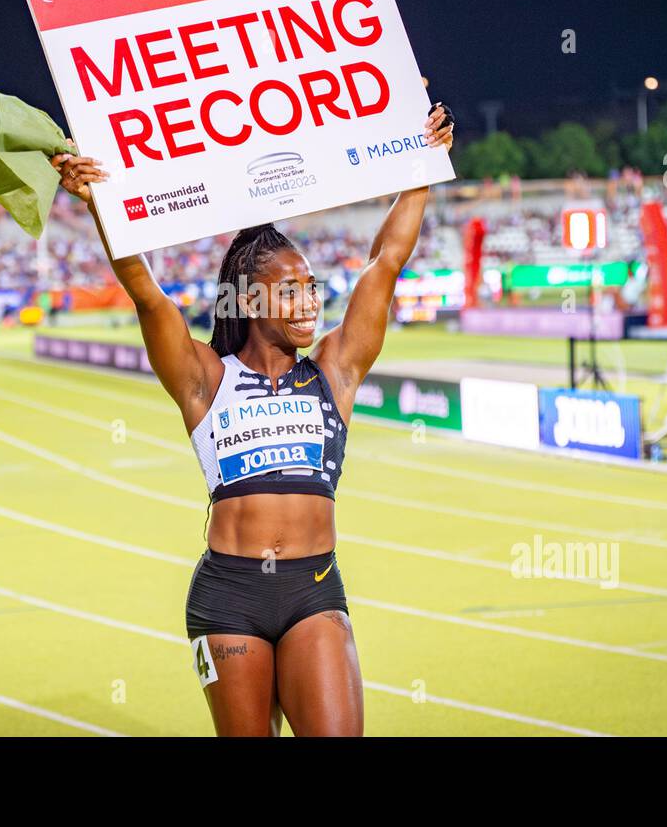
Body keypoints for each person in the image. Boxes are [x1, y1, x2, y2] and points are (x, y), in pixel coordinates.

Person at [53, 103, 454, 736]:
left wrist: (421, 163)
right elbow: (144, 288)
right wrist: (96, 198)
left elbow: (386, 263)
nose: (309, 299)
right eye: (289, 288)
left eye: (311, 285)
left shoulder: (334, 369)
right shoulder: (205, 379)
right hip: (227, 597)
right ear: (247, 297)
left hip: (314, 588)